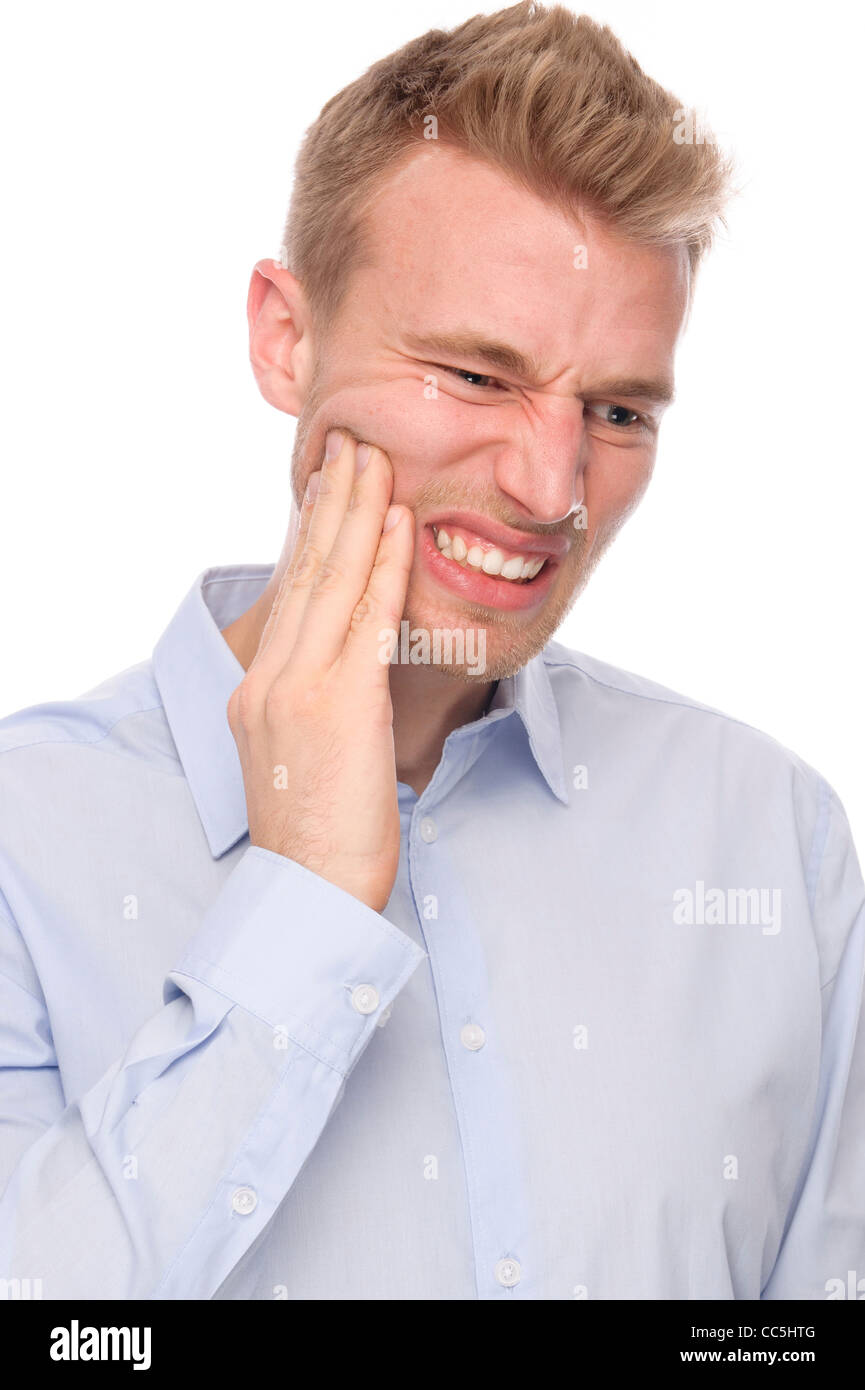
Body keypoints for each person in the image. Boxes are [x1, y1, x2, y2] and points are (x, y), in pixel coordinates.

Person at [1, 2, 862, 1301]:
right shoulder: (25, 846)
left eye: (615, 409)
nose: (550, 483)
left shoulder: (767, 836)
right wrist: (299, 903)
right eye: (474, 374)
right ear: (286, 338)